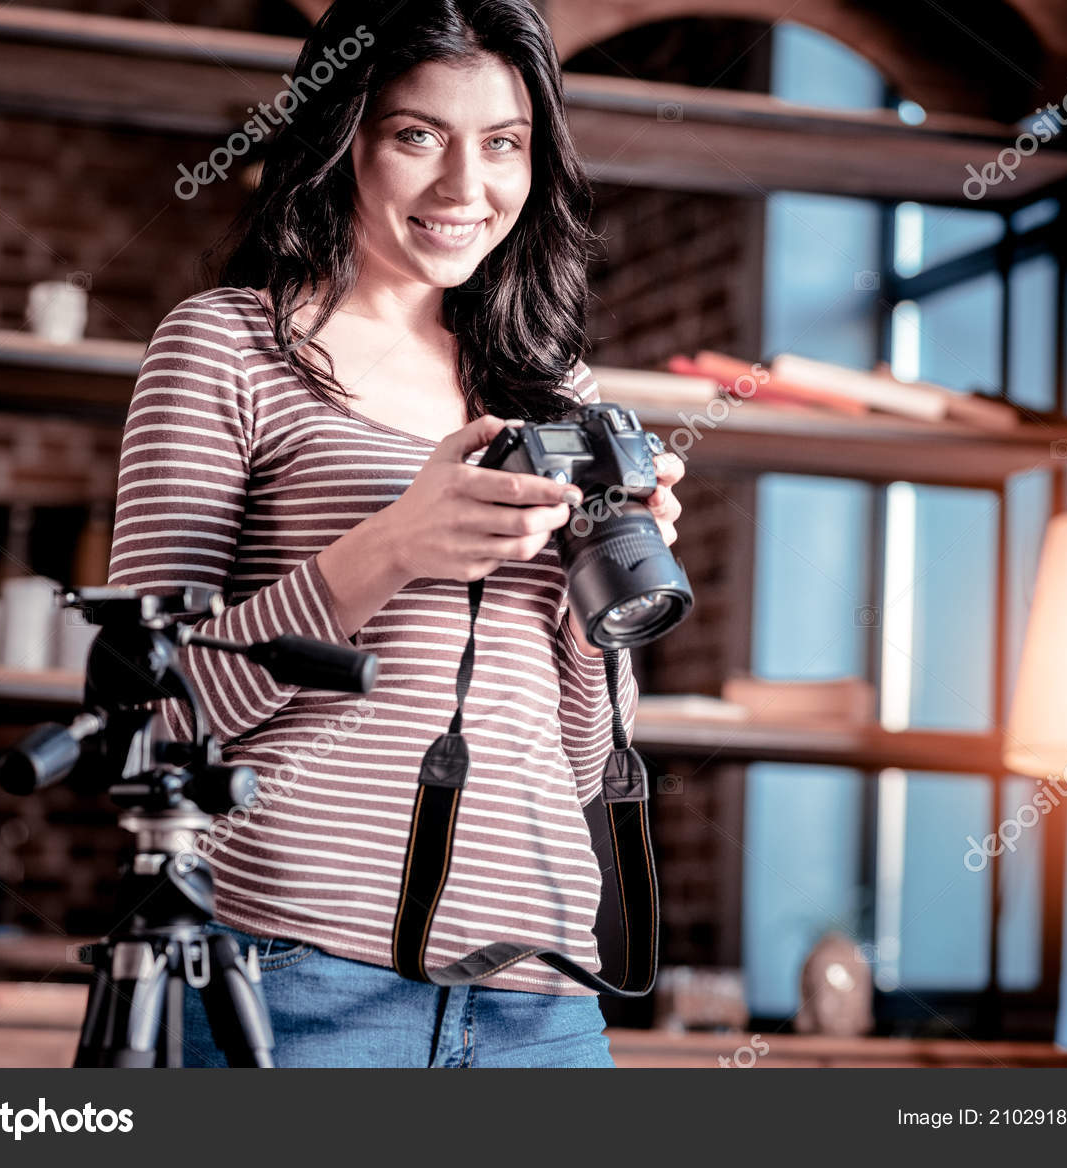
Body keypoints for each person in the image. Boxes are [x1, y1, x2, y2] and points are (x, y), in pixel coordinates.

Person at [105, 0, 683, 1068]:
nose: (467, 189)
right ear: (343, 138)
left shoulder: (556, 391)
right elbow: (146, 710)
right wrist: (392, 546)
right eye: (418, 135)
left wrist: (599, 585)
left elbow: (585, 753)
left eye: (502, 143)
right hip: (301, 970)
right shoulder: (226, 344)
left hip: (542, 993)